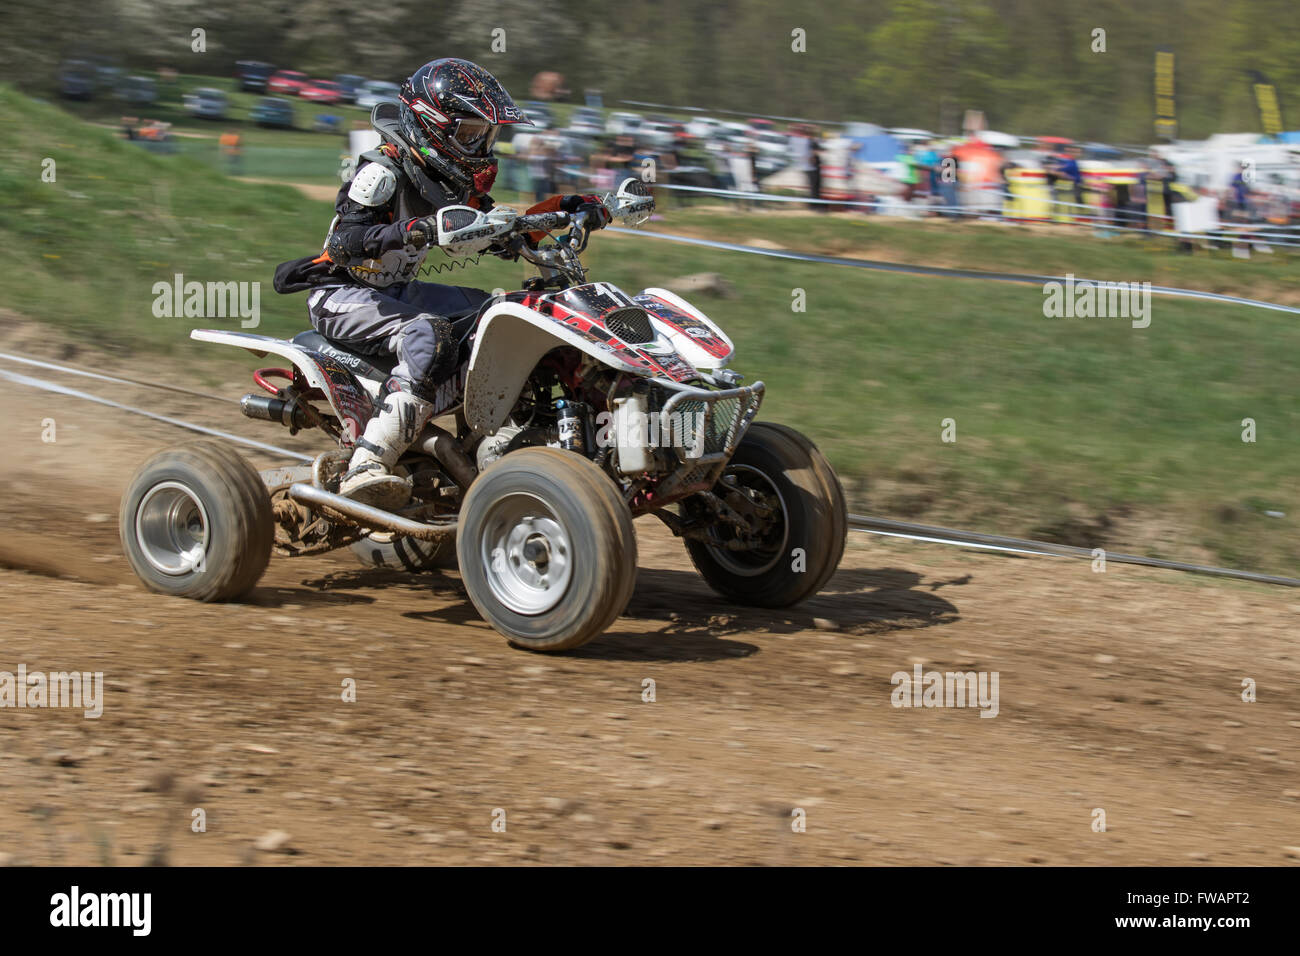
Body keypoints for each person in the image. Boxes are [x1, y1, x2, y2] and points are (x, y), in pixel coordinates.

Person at [272, 57, 609, 507]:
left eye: (486, 135)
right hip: (342, 295)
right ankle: (367, 464)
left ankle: (492, 440)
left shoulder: (445, 182)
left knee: (502, 315)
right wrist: (419, 230)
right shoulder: (382, 173)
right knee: (429, 335)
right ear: (431, 127)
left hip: (397, 292)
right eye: (470, 134)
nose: (481, 147)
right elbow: (347, 241)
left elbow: (503, 230)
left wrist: (570, 206)